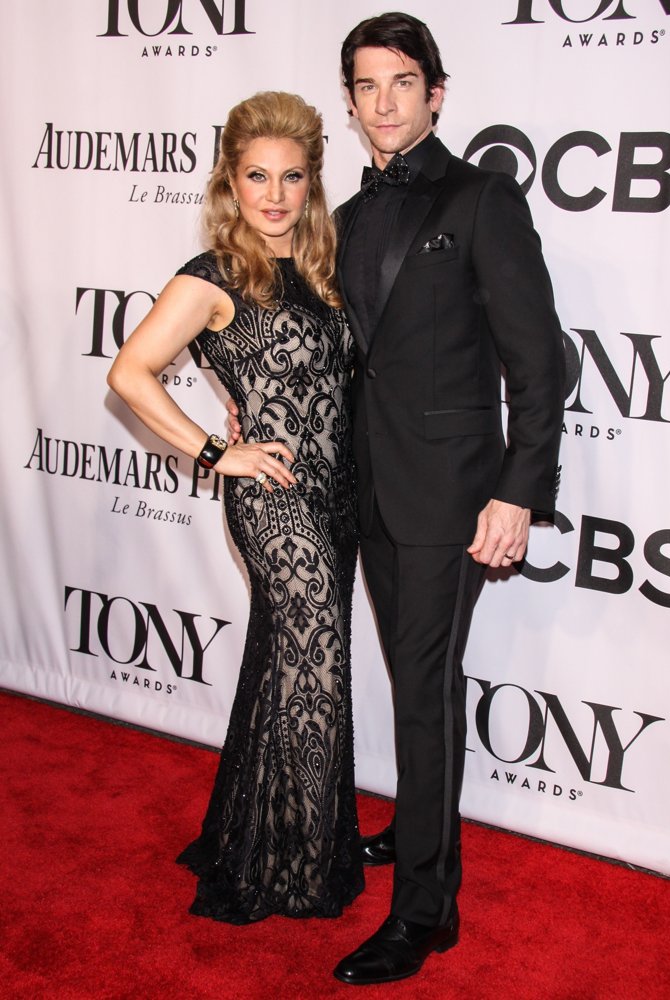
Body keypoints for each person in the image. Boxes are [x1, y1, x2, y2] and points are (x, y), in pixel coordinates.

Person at [332, 12, 565, 984]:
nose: (383, 102)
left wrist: (519, 492)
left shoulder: (480, 199)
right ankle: (412, 824)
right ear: (350, 102)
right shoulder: (346, 216)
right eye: (366, 85)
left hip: (451, 495)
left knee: (424, 694)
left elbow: (538, 360)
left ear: (434, 93)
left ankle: (425, 912)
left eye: (401, 82)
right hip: (369, 490)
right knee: (409, 681)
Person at [107, 91, 364, 924]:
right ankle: (295, 869)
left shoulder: (325, 269)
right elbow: (130, 373)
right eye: (257, 176)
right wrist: (218, 453)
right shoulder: (214, 276)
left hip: (337, 497)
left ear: (311, 181)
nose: (275, 195)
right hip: (275, 503)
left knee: (288, 664)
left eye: (291, 176)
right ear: (231, 182)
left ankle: (250, 837)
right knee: (317, 669)